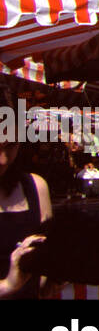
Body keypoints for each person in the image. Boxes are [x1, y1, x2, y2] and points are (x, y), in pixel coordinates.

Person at [1, 90, 54, 299]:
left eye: (11, 146)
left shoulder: (35, 187)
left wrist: (52, 280)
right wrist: (7, 285)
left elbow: (43, 277)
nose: (3, 159)